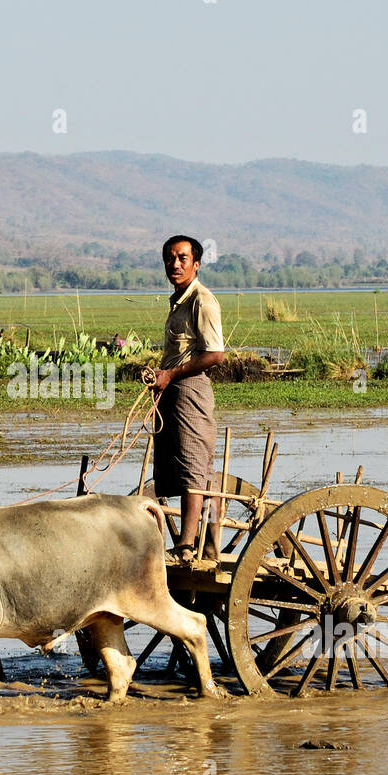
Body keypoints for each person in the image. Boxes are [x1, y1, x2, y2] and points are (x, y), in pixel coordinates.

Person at [150, 235, 225, 562]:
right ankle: (207, 546)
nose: (175, 264)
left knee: (194, 466)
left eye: (182, 258)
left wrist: (172, 375)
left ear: (196, 263)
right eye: (170, 258)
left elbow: (215, 355)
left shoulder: (202, 301)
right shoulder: (178, 300)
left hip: (190, 389)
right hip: (172, 388)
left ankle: (186, 545)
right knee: (180, 467)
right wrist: (160, 374)